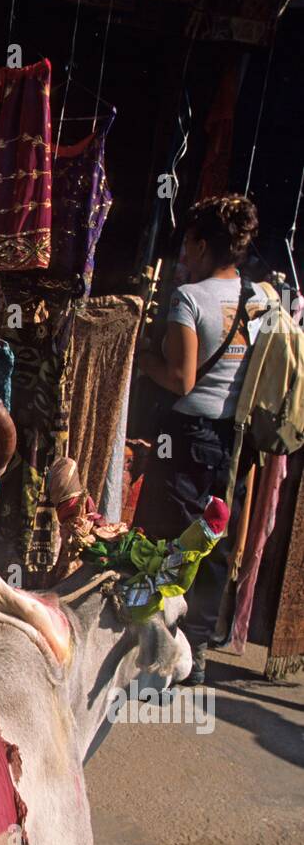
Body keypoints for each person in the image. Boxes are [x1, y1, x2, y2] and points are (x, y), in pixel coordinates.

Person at [136, 194, 269, 683]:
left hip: (186, 435)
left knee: (166, 536)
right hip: (230, 437)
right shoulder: (259, 299)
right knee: (212, 537)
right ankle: (198, 651)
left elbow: (180, 379)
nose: (184, 253)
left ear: (201, 243)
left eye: (189, 243)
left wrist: (142, 358)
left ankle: (154, 646)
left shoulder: (189, 299)